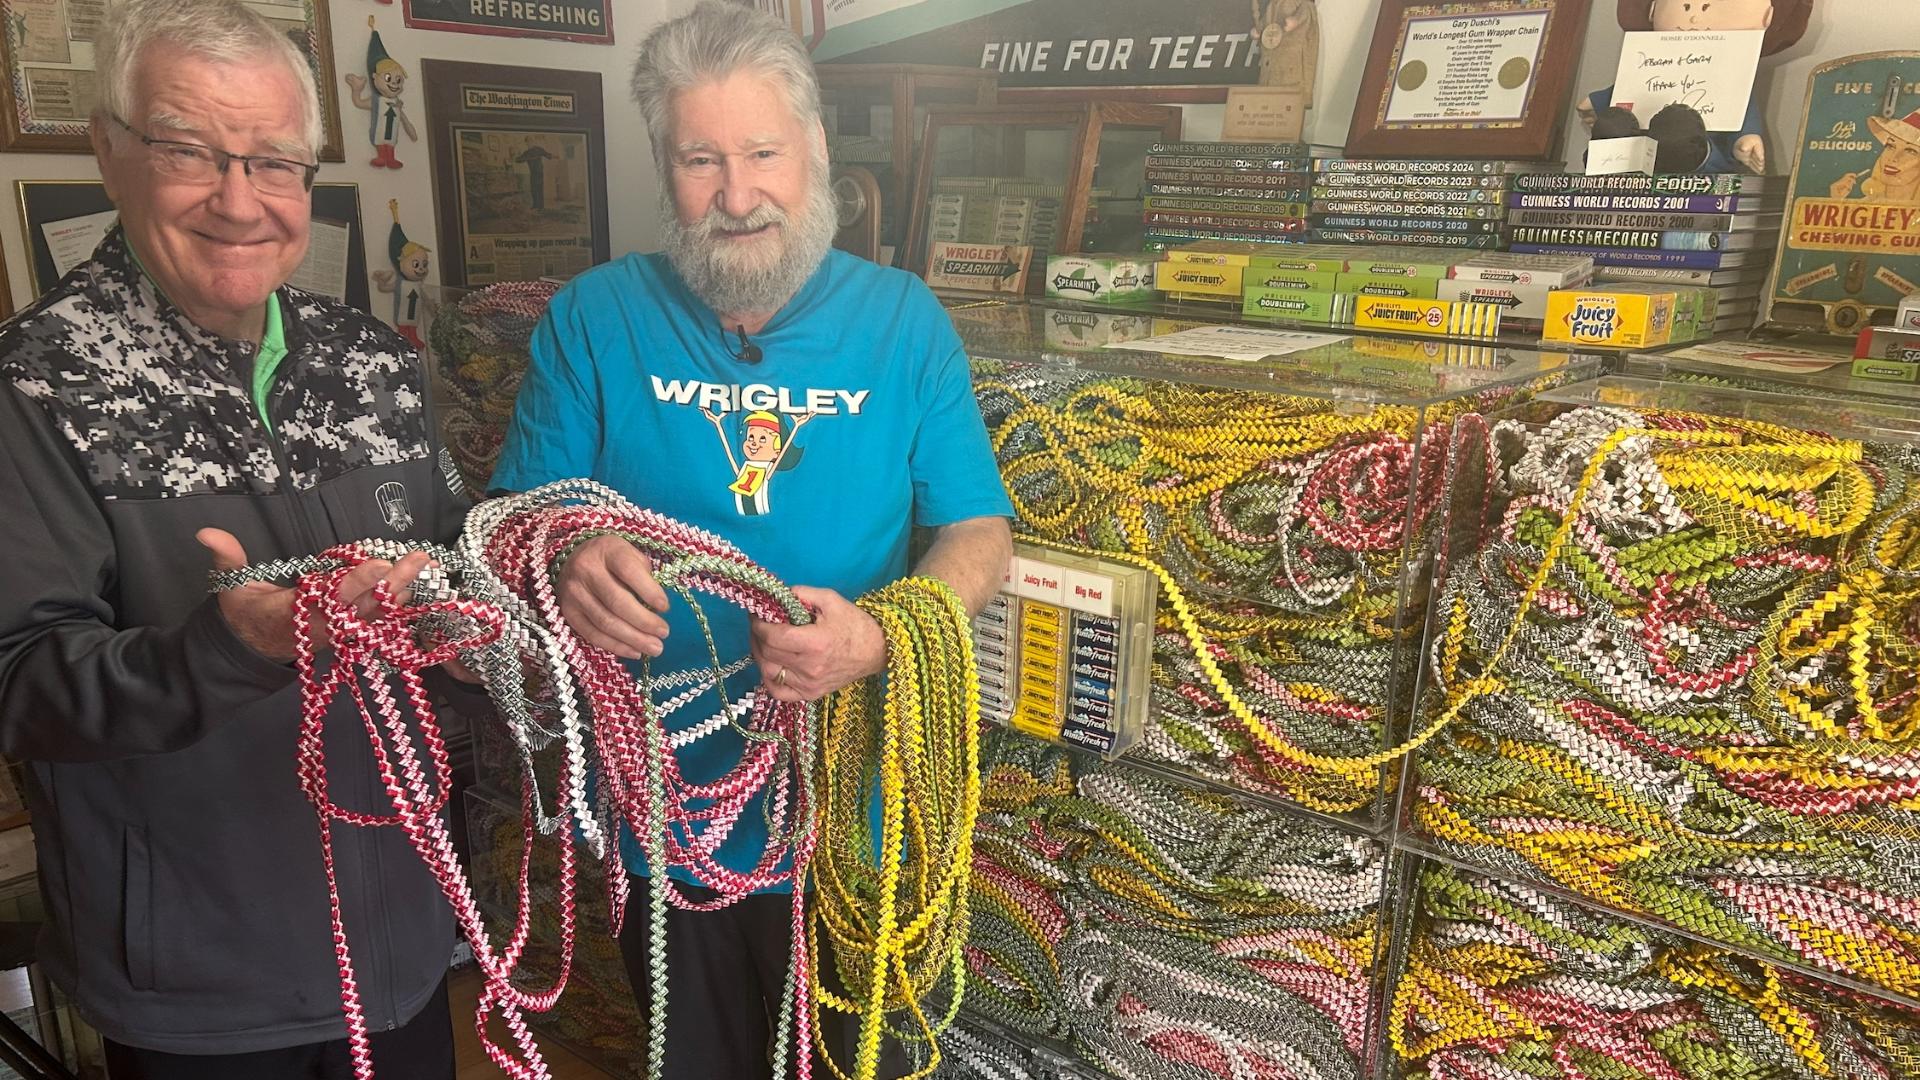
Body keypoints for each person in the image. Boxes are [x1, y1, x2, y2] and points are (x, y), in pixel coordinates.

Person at [488, 3, 1014, 1077]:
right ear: (662, 165)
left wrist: (876, 637)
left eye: (763, 152)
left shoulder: (904, 322)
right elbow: (510, 527)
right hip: (667, 816)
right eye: (700, 159)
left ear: (815, 147)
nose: (736, 194)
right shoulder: (594, 320)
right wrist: (563, 559)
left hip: (855, 813)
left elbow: (978, 534)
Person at [0, 1, 475, 1076]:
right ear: (111, 153)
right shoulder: (31, 387)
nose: (237, 202)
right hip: (196, 985)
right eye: (187, 152)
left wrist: (515, 603)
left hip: (401, 940)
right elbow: (17, 680)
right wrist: (227, 651)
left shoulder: (375, 362)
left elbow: (448, 580)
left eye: (273, 163)